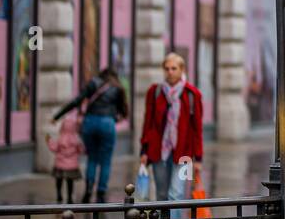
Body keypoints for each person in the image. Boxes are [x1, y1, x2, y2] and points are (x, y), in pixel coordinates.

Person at [52, 67, 128, 202]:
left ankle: (88, 189)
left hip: (90, 121)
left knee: (92, 158)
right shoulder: (118, 88)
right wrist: (112, 120)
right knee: (105, 160)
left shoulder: (93, 83)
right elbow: (124, 112)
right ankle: (101, 191)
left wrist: (57, 116)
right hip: (107, 123)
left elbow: (77, 101)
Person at [141, 53, 204, 210]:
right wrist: (144, 150)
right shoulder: (154, 92)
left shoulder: (192, 94)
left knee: (176, 194)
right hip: (158, 151)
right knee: (161, 195)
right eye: (167, 68)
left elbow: (197, 129)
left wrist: (198, 158)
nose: (170, 72)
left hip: (185, 153)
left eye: (174, 68)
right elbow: (148, 123)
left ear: (182, 69)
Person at [46, 111, 85, 203]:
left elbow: (54, 148)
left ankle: (59, 194)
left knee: (59, 179)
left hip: (60, 164)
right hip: (72, 166)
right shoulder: (76, 139)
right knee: (70, 182)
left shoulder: (61, 138)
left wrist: (49, 141)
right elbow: (81, 150)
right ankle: (70, 197)